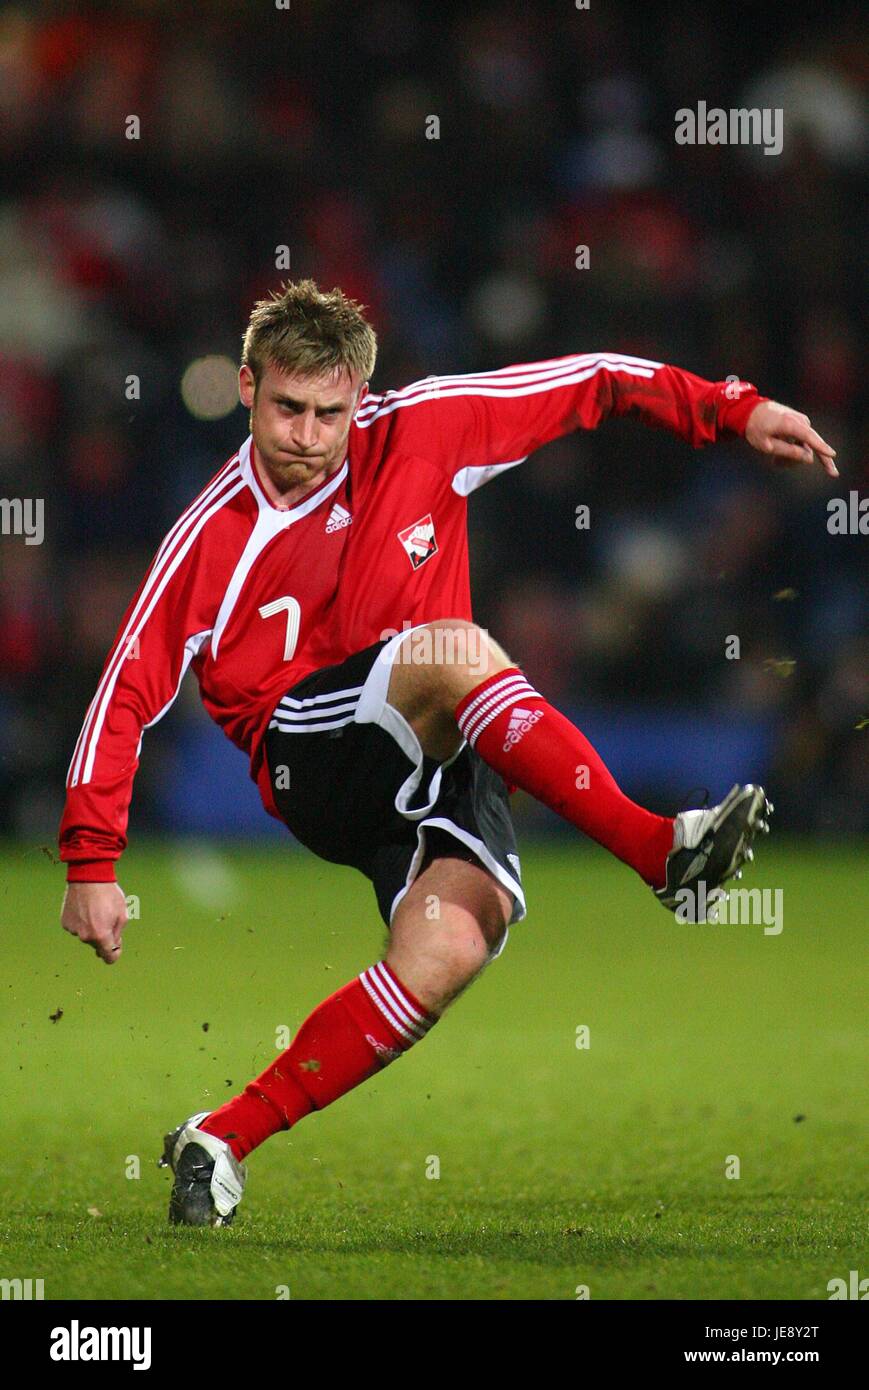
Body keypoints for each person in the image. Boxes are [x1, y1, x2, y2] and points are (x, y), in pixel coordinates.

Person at [58, 280, 836, 1226]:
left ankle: (221, 1139)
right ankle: (658, 853)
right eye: (285, 409)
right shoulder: (210, 535)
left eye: (327, 413)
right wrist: (92, 860)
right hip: (312, 753)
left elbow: (593, 380)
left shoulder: (430, 428)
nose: (305, 436)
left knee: (451, 946)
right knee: (458, 647)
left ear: (361, 398)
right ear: (249, 389)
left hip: (436, 746)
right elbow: (126, 688)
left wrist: (732, 408)